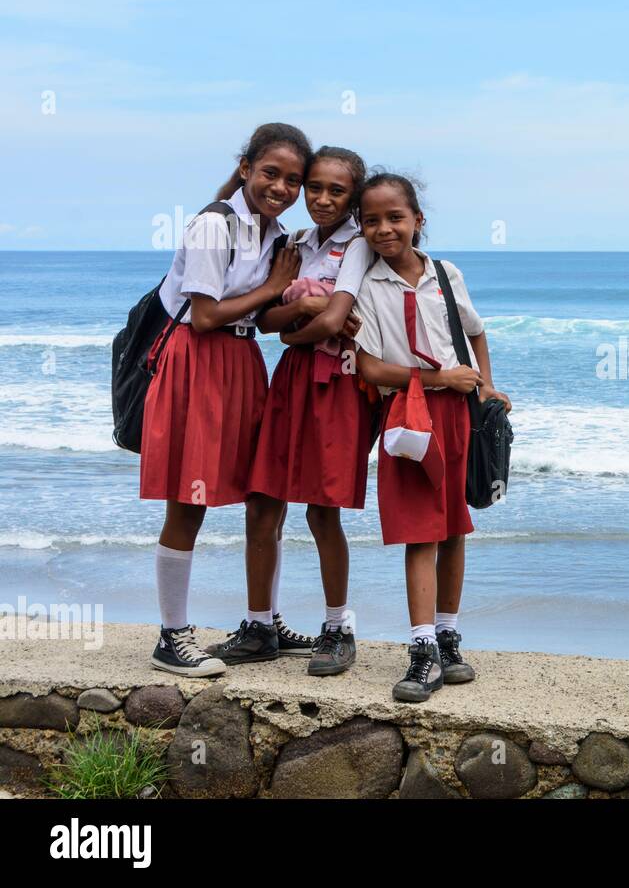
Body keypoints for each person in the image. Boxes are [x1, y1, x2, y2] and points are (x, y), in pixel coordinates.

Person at [140, 123, 310, 676]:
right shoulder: (214, 226)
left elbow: (255, 322)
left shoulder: (270, 233)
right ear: (245, 169)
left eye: (293, 180)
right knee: (188, 500)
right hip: (197, 360)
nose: (281, 188)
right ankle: (172, 635)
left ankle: (264, 621)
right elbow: (209, 314)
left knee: (265, 494)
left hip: (241, 364)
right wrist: (273, 286)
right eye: (270, 174)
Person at [207, 147, 374, 675]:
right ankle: (260, 625)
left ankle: (338, 628)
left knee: (322, 509)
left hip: (338, 383)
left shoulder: (363, 244)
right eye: (315, 187)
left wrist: (297, 321)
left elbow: (333, 325)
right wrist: (301, 309)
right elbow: (264, 320)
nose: (322, 199)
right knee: (263, 501)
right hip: (291, 379)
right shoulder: (294, 243)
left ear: (354, 196)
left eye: (336, 191)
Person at [350, 172, 511, 702]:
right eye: (371, 220)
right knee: (420, 529)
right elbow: (371, 368)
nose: (384, 228)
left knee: (454, 528)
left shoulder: (445, 273)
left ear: (418, 220)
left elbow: (475, 331)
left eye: (395, 217)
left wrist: (485, 387)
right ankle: (421, 651)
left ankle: (447, 635)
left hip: (458, 414)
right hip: (408, 418)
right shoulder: (367, 287)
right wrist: (439, 378)